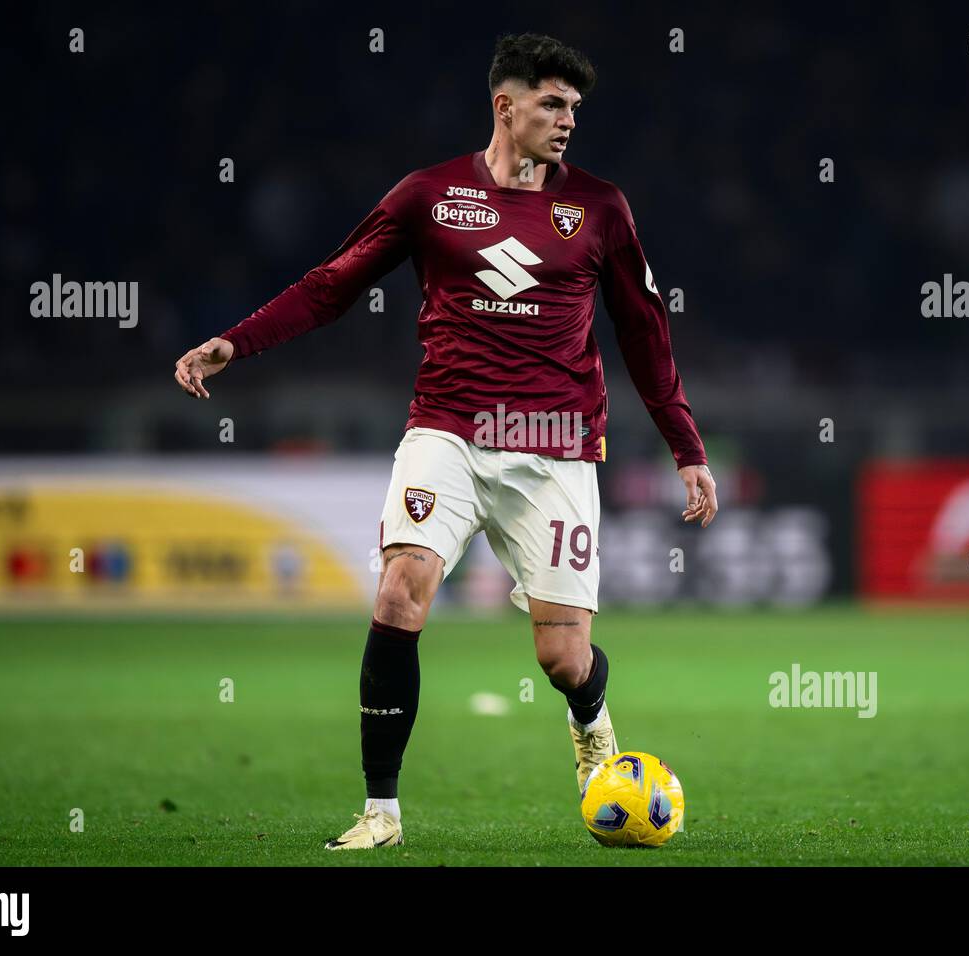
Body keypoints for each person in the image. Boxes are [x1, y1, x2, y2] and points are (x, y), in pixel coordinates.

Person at [173, 32, 717, 850]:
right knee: (400, 591)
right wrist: (236, 342)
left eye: (575, 107)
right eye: (552, 104)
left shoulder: (600, 208)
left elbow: (645, 331)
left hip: (556, 446)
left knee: (564, 659)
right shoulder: (428, 196)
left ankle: (592, 723)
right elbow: (333, 284)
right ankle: (380, 814)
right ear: (506, 106)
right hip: (448, 432)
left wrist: (687, 447)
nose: (569, 120)